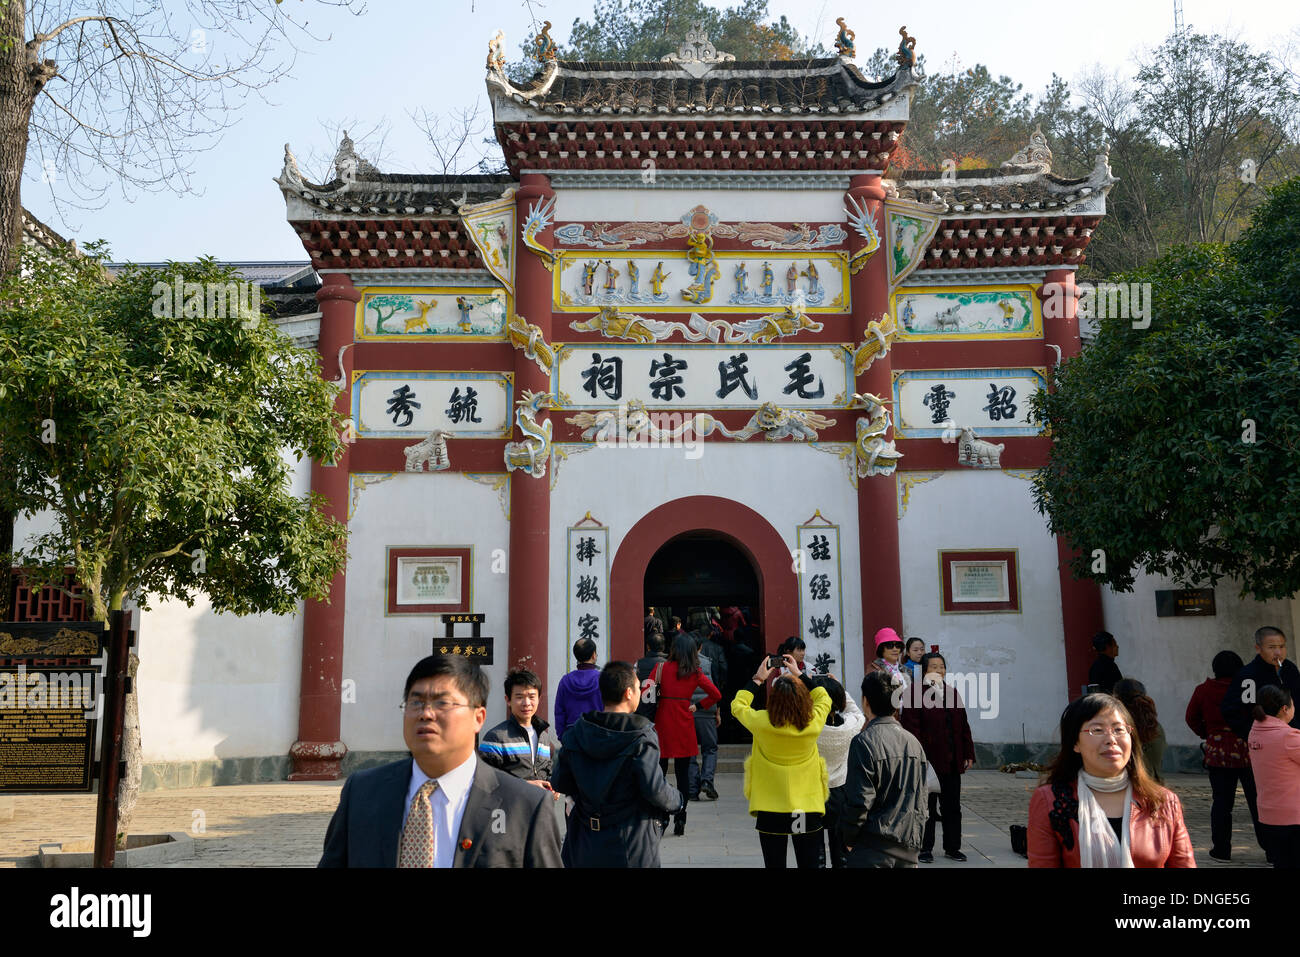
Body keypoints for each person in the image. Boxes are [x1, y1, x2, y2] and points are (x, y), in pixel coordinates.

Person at [319, 654, 563, 867]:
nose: (426, 713)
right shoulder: (361, 792)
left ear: (478, 717)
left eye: (442, 703)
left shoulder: (527, 805)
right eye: (416, 702)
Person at [1027, 693, 1194, 868]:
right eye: (1097, 730)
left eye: (1119, 729)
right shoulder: (1051, 801)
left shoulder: (1164, 801)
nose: (1111, 740)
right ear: (1075, 743)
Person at [550, 661, 684, 867]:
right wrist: (678, 800)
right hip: (631, 842)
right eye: (638, 688)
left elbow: (560, 781)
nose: (640, 692)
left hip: (585, 839)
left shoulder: (577, 731)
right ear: (629, 693)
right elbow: (654, 789)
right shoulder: (641, 736)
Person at [731, 653, 832, 868]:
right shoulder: (812, 722)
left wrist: (758, 679)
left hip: (771, 808)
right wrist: (800, 674)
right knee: (809, 863)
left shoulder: (761, 722)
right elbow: (824, 698)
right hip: (806, 807)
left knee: (774, 864)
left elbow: (738, 705)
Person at [840, 670, 928, 867]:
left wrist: (849, 838)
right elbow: (921, 799)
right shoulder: (913, 742)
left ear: (865, 701)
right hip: (907, 845)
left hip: (874, 847)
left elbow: (860, 801)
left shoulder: (863, 742)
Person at [1185, 651, 1261, 862]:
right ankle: (1271, 848)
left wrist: (1208, 734)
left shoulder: (1203, 690)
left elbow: (1191, 717)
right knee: (1257, 801)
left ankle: (1221, 849)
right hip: (1247, 750)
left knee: (1221, 803)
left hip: (1218, 753)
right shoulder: (1247, 688)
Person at [900, 651, 975, 863]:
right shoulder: (914, 694)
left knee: (952, 807)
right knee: (927, 809)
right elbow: (911, 730)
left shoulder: (952, 693)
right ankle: (925, 848)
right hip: (928, 762)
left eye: (941, 666)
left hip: (952, 761)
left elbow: (963, 726)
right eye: (934, 667)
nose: (939, 670)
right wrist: (919, 758)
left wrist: (968, 752)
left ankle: (953, 847)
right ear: (924, 671)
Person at [654, 632, 721, 836]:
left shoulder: (662, 667)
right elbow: (716, 694)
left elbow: (646, 689)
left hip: (663, 721)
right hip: (684, 722)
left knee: (660, 773)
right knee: (684, 775)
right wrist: (698, 705)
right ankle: (681, 816)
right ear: (693, 651)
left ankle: (661, 814)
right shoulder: (695, 672)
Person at [478, 669, 562, 797]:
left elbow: (547, 774)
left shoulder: (544, 738)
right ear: (508, 700)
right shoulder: (495, 738)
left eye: (531, 697)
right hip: (510, 813)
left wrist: (553, 788)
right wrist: (526, 785)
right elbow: (484, 782)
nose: (526, 703)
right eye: (519, 697)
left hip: (539, 811)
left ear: (539, 698)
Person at [813, 675, 865, 868]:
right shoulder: (851, 725)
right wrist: (840, 689)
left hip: (813, 793)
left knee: (814, 850)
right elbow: (857, 712)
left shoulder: (809, 727)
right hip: (841, 793)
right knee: (841, 850)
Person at [1247, 685, 1300, 868]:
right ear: (1285, 709)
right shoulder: (1288, 737)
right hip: (1293, 817)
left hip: (1268, 813)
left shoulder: (1255, 731)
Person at [1222, 626, 1300, 741]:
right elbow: (1235, 711)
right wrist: (1254, 736)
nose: (1278, 652)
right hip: (1266, 740)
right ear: (1258, 648)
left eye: (1282, 646)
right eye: (1272, 647)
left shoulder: (1290, 669)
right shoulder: (1248, 676)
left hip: (1293, 736)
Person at [690, 618, 728, 801]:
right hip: (706, 709)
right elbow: (717, 685)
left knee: (689, 750)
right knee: (710, 748)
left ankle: (692, 787)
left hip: (687, 710)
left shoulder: (675, 665)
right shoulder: (708, 661)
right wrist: (717, 710)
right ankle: (707, 781)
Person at [1113, 678, 1165, 783]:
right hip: (1155, 785)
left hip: (1131, 786)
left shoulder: (1121, 728)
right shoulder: (1154, 725)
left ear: (1117, 699)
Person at [554, 637, 604, 739]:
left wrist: (563, 737)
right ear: (594, 655)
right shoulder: (603, 679)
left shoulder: (565, 680)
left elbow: (559, 712)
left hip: (572, 736)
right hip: (598, 736)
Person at [635, 631, 668, 720]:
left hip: (642, 705)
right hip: (660, 705)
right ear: (663, 647)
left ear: (648, 647)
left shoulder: (638, 663)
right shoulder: (667, 664)